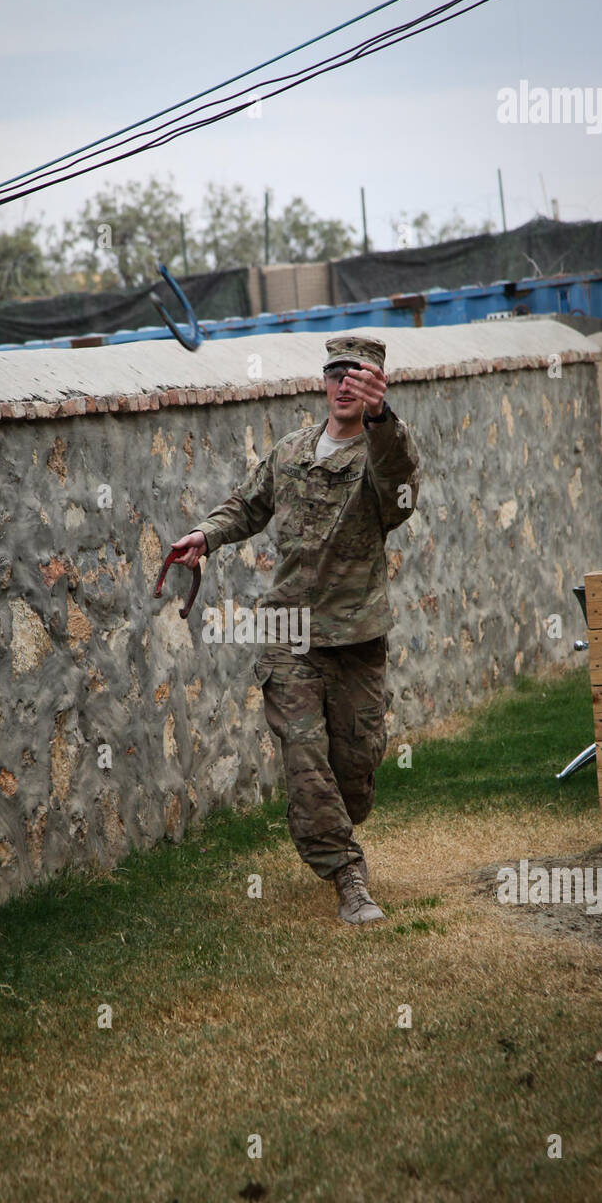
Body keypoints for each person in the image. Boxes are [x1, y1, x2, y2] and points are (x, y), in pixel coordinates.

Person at [171, 335, 421, 924]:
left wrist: (383, 420)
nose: (344, 385)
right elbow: (247, 505)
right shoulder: (290, 452)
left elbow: (401, 484)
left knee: (354, 770)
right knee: (305, 755)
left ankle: (341, 811)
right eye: (336, 373)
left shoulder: (385, 459)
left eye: (358, 377)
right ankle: (348, 878)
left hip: (356, 639)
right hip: (290, 636)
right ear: (323, 380)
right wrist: (205, 536)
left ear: (377, 387)